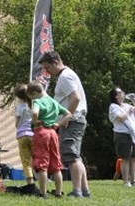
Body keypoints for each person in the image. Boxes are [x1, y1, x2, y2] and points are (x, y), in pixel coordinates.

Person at [38, 51, 90, 197]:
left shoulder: (65, 76)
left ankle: (77, 191)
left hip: (72, 121)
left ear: (55, 62)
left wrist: (64, 119)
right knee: (76, 156)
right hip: (75, 119)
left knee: (71, 156)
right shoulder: (66, 75)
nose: (47, 72)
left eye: (48, 68)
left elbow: (75, 98)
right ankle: (84, 191)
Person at [27, 81, 69, 199]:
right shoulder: (54, 102)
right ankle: (58, 193)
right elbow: (68, 114)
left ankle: (43, 193)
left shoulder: (38, 101)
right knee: (56, 164)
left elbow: (35, 112)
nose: (32, 99)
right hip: (53, 133)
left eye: (31, 97)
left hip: (41, 132)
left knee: (41, 163)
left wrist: (35, 121)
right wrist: (58, 124)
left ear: (35, 93)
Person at [108, 87, 135, 187]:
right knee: (125, 158)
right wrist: (128, 110)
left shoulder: (126, 105)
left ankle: (133, 181)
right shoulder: (113, 107)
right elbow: (121, 117)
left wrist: (134, 101)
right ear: (116, 96)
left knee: (133, 158)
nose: (123, 93)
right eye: (120, 92)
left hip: (133, 134)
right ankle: (126, 181)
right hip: (122, 134)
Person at [12, 84, 35, 186]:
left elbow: (17, 124)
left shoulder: (19, 107)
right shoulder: (34, 104)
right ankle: (42, 178)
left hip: (22, 135)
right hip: (34, 134)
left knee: (26, 160)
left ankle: (30, 183)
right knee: (37, 158)